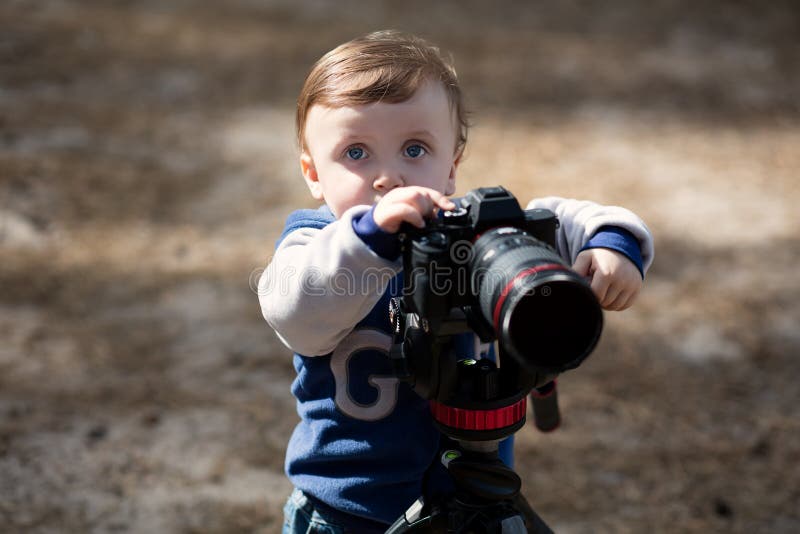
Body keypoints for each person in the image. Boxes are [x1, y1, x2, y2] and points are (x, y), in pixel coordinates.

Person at [258, 30, 654, 533]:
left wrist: (610, 244)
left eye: (414, 149)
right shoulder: (315, 244)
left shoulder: (471, 233)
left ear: (452, 167)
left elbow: (562, 218)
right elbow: (296, 313)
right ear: (313, 173)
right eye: (356, 153)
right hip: (350, 509)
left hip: (474, 496)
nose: (388, 178)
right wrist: (370, 239)